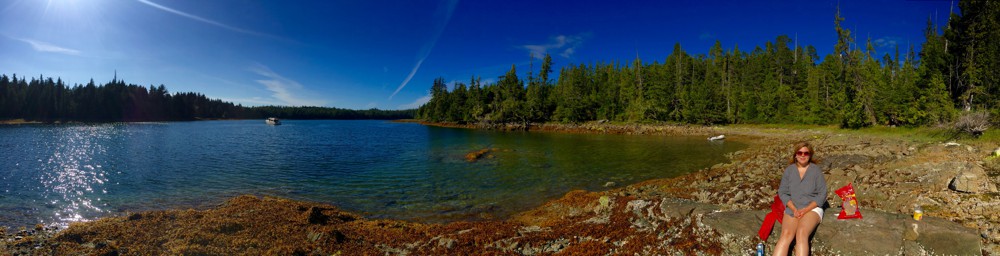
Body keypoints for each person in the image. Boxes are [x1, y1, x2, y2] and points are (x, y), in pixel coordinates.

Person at [773, 142, 827, 256]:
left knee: (801, 233)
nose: (803, 155)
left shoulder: (815, 170)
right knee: (786, 234)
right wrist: (793, 209)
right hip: (793, 208)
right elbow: (782, 192)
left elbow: (822, 194)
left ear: (810, 155)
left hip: (812, 209)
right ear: (795, 155)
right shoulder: (789, 170)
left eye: (806, 153)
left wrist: (805, 210)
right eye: (800, 152)